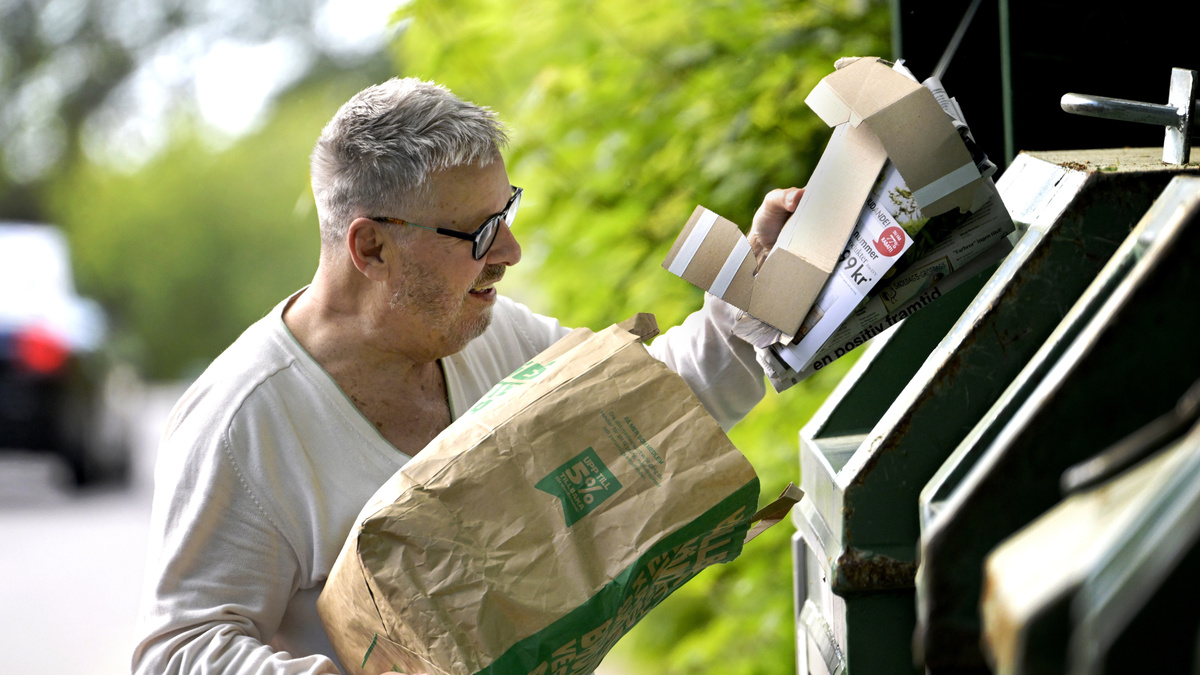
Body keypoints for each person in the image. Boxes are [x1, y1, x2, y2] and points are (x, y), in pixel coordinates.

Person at [132, 77, 804, 674]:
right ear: (371, 247)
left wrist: (751, 294)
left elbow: (648, 411)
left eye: (505, 212)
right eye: (479, 234)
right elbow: (180, 648)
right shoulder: (242, 422)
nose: (510, 251)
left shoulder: (491, 334)